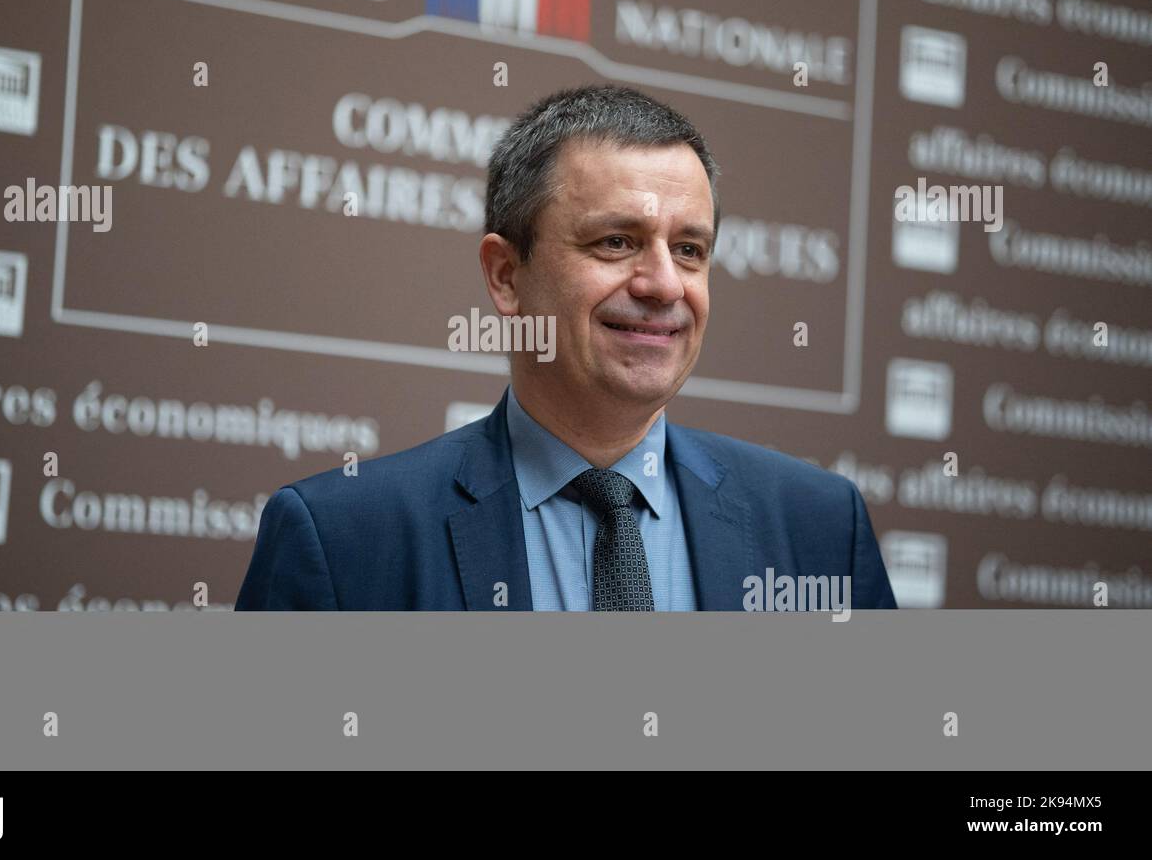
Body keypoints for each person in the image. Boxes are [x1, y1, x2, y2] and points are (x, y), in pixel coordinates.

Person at [236, 84, 897, 611]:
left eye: (689, 249)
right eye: (616, 242)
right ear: (506, 275)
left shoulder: (819, 528)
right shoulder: (343, 538)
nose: (665, 284)